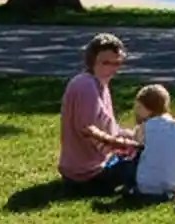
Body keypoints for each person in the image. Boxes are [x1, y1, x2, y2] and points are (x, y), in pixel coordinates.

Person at [59, 33, 140, 194]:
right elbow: (87, 129)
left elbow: (111, 129)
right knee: (153, 161)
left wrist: (138, 136)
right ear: (92, 60)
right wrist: (117, 143)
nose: (111, 69)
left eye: (116, 63)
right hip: (87, 175)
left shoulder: (100, 84)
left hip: (95, 167)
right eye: (105, 63)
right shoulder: (85, 85)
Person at [131, 84, 175, 198]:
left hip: (147, 187)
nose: (136, 111)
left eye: (138, 107)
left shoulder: (144, 128)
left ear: (146, 109)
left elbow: (134, 144)